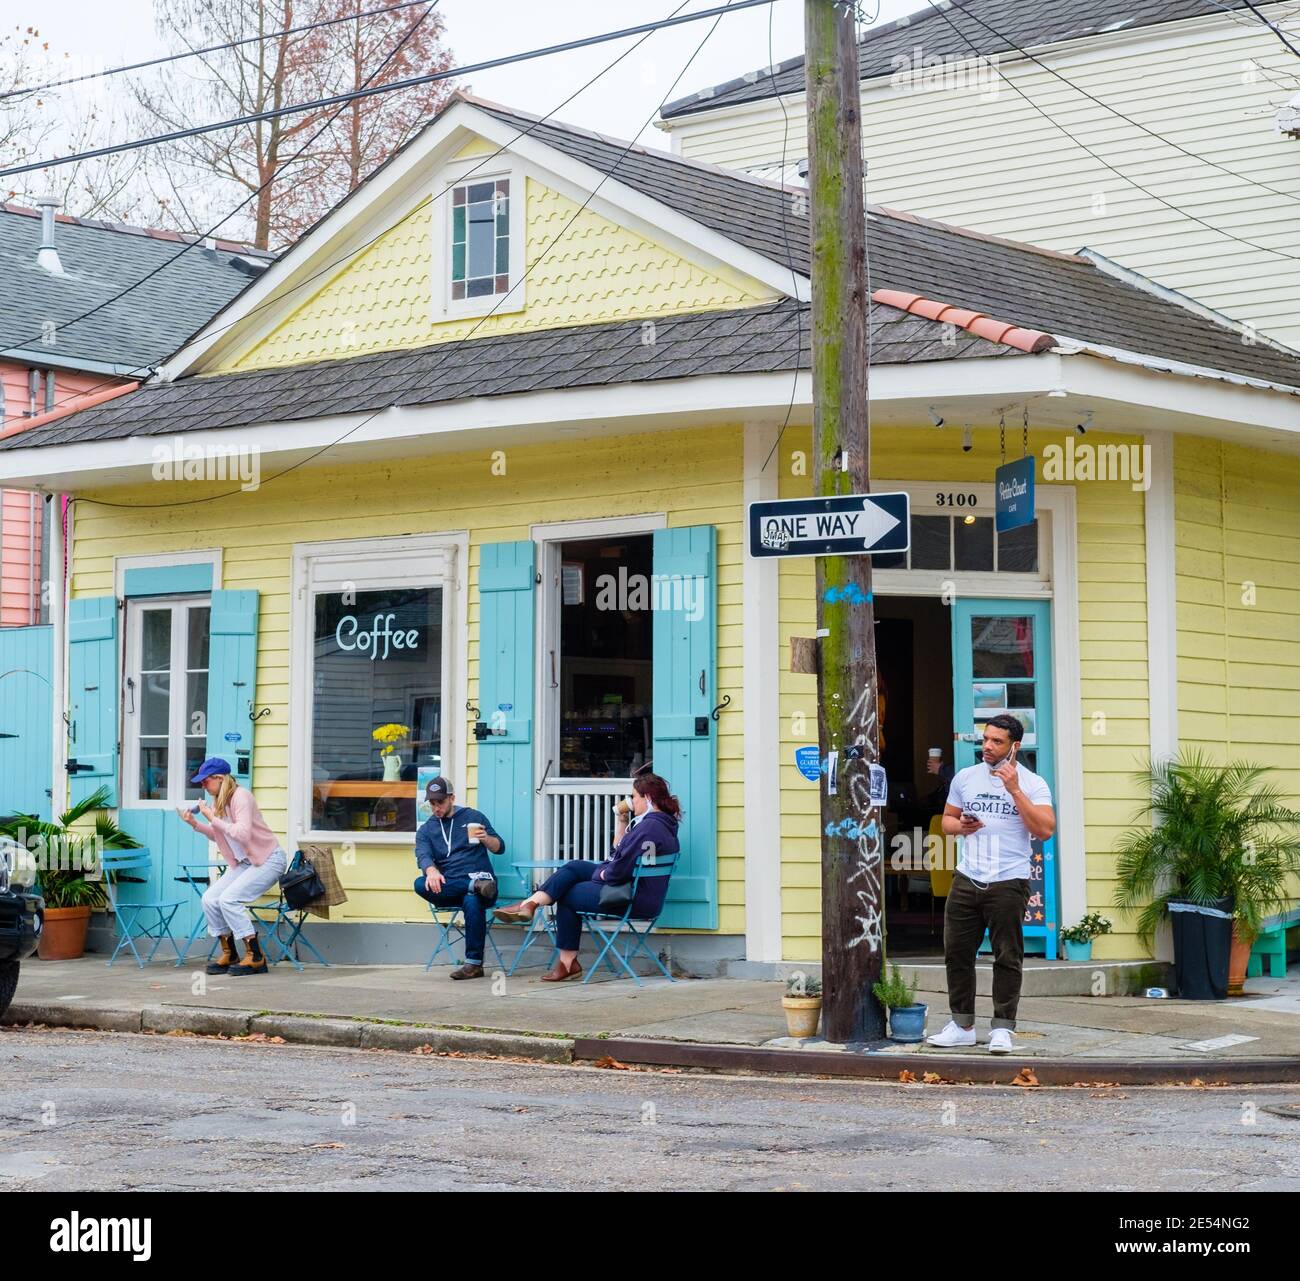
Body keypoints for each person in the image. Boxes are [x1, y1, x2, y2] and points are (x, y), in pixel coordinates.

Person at [926, 715, 1055, 1054]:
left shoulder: (1033, 783)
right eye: (986, 739)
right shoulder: (966, 778)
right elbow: (948, 822)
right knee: (957, 954)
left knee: (1007, 957)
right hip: (968, 878)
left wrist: (1013, 789)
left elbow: (1044, 830)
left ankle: (1002, 1028)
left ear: (1015, 746)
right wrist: (961, 826)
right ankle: (962, 1025)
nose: (987, 746)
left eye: (997, 741)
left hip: (1008, 880)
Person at [493, 773, 680, 982]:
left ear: (647, 797)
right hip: (643, 894)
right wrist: (621, 822)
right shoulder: (662, 824)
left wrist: (602, 874)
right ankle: (530, 904)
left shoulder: (648, 827)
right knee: (574, 867)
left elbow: (616, 873)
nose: (631, 801)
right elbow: (617, 853)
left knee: (566, 894)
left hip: (632, 898)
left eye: (634, 796)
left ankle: (566, 962)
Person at [178, 758, 288, 977]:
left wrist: (211, 817)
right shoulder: (221, 802)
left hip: (268, 859)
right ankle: (230, 953)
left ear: (220, 778)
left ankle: (256, 956)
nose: (203, 786)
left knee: (229, 899)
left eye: (205, 781)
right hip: (246, 863)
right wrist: (196, 824)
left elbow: (242, 833)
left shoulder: (241, 797)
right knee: (210, 899)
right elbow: (222, 836)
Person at [413, 776, 505, 980]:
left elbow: (500, 848)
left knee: (472, 899)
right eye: (432, 803)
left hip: (485, 886)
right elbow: (423, 855)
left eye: (441, 802)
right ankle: (473, 885)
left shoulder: (473, 817)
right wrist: (431, 871)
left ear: (452, 798)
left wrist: (486, 839)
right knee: (419, 883)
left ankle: (473, 965)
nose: (436, 807)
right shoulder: (426, 830)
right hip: (449, 889)